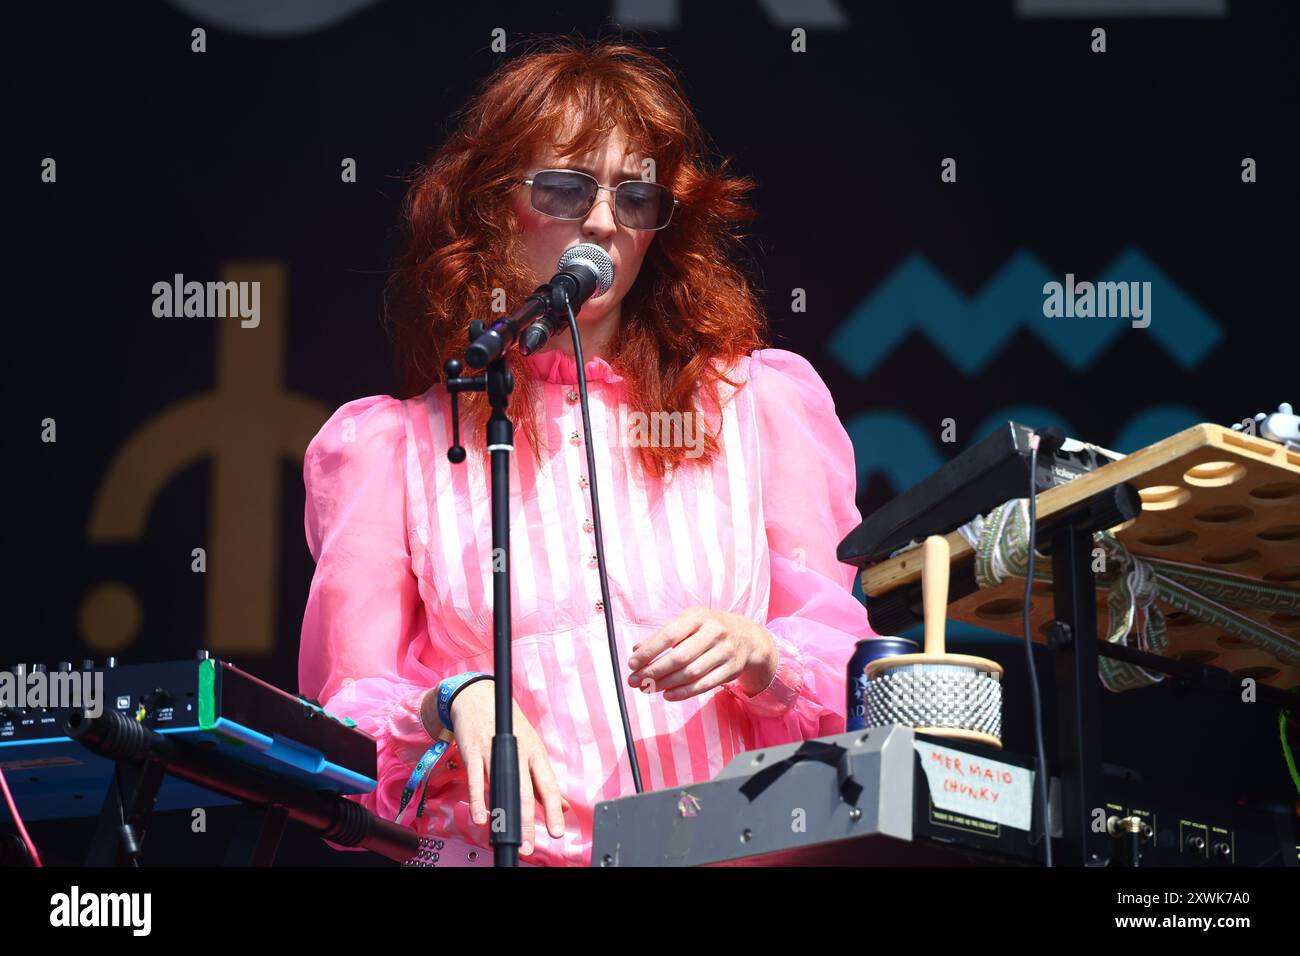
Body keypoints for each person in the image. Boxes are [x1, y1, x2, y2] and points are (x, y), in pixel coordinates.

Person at [297, 38, 877, 867]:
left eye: (637, 197)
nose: (604, 220)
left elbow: (848, 668)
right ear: (497, 205)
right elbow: (343, 725)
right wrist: (455, 698)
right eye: (566, 189)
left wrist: (761, 653)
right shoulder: (392, 448)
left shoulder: (758, 405)